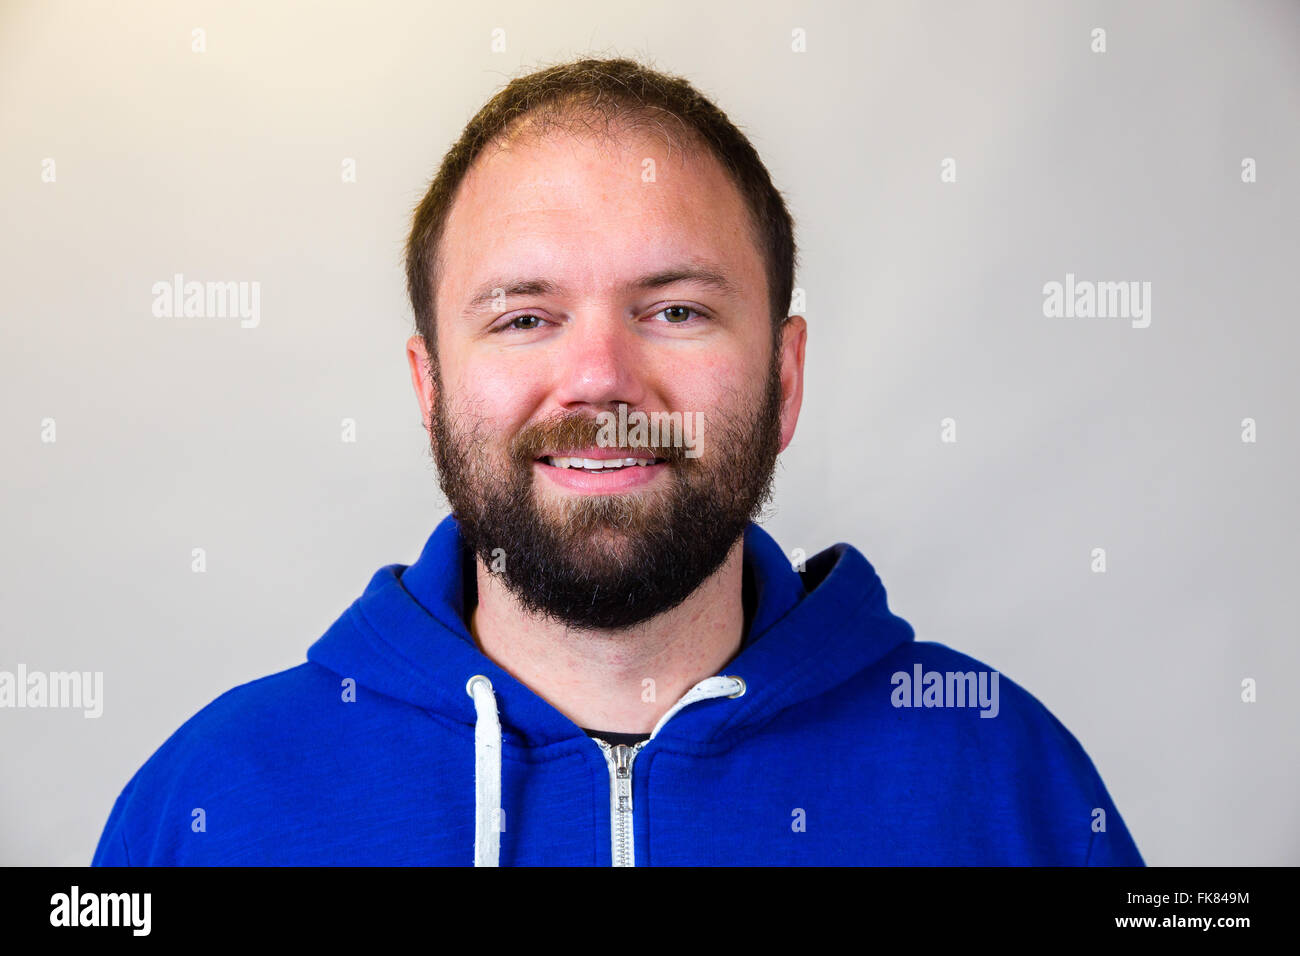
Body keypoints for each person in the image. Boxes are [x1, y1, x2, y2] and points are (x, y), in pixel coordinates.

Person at [92, 57, 1143, 866]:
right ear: (429, 388)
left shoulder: (1007, 782)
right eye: (524, 317)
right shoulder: (213, 799)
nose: (599, 379)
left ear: (784, 376)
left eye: (675, 309)